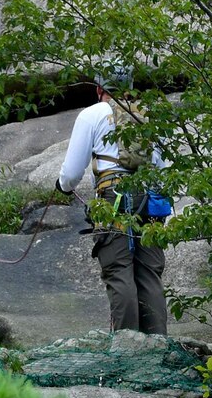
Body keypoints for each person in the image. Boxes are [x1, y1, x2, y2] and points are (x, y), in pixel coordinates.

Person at [56, 62, 170, 335]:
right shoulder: (149, 114)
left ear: (99, 89)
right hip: (150, 200)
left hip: (113, 198)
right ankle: (158, 347)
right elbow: (165, 170)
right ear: (130, 88)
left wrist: (63, 186)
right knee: (149, 275)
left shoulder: (92, 114)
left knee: (119, 272)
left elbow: (71, 174)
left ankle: (127, 352)